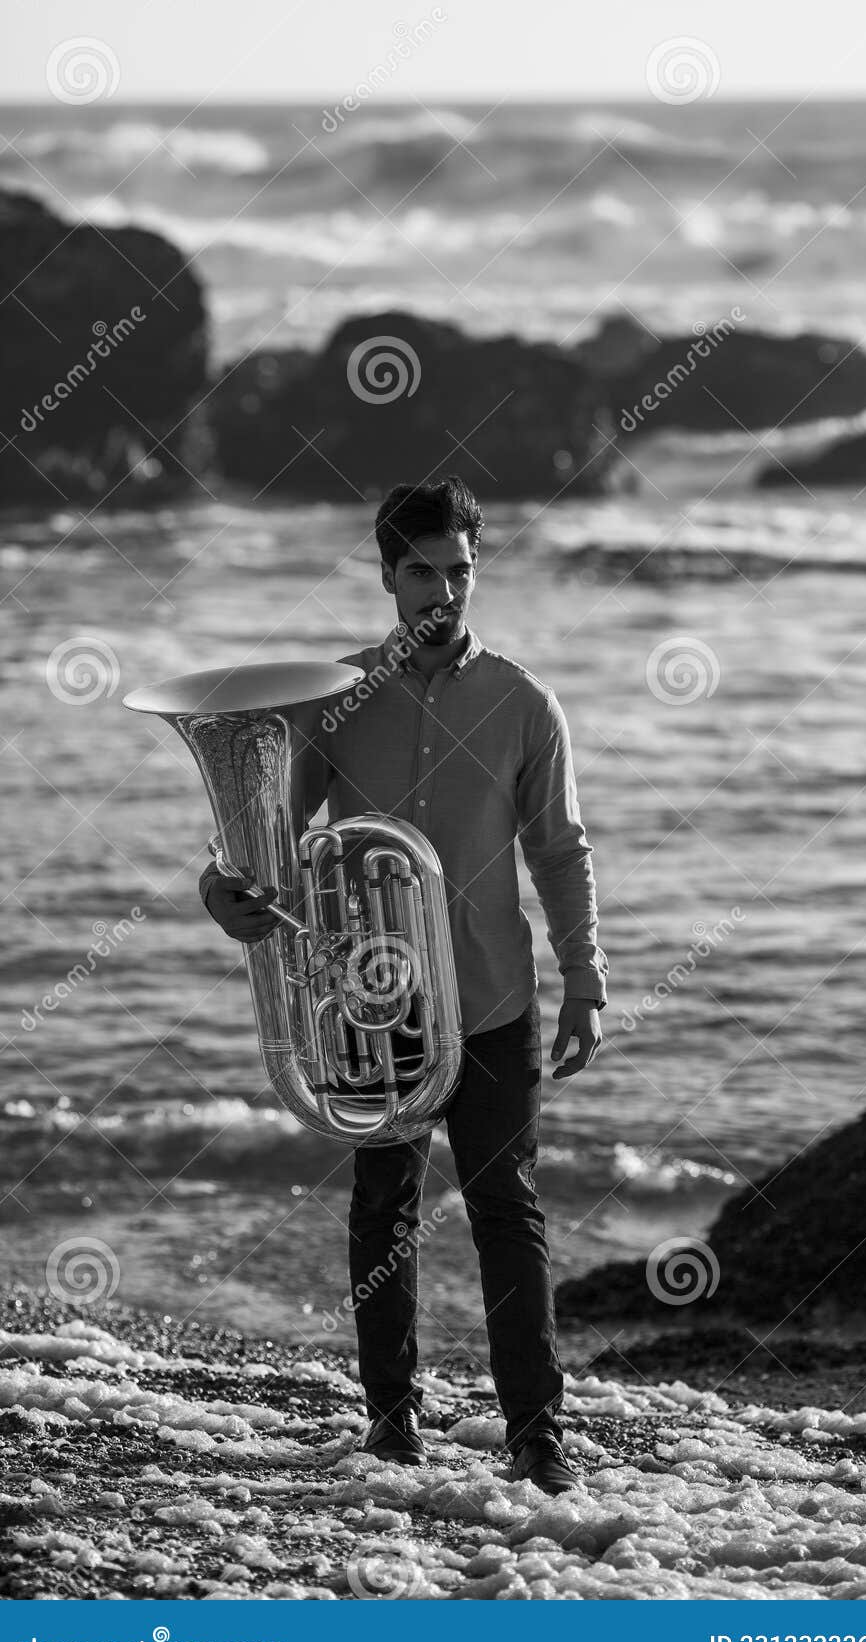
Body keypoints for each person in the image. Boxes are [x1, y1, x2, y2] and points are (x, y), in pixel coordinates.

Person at [199, 476, 608, 1495]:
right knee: (381, 1206)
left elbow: (559, 850)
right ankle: (391, 1422)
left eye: (459, 570)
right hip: (376, 995)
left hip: (491, 999)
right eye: (422, 569)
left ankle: (535, 1434)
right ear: (386, 572)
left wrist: (584, 975)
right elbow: (267, 840)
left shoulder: (522, 702)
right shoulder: (326, 696)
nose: (442, 589)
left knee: (505, 1210)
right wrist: (224, 888)